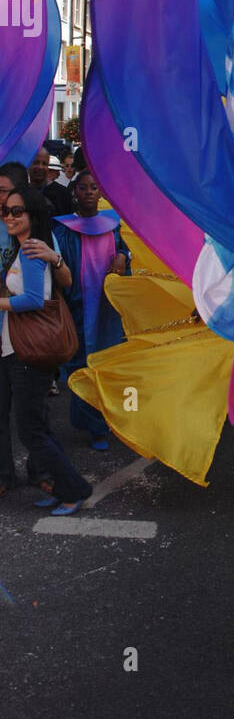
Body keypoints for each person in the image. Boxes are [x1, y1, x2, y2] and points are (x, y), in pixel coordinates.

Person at [0, 186, 90, 512]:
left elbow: (35, 300)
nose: (9, 216)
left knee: (32, 431)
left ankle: (73, 489)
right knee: (38, 428)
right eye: (6, 211)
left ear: (33, 216)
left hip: (28, 354)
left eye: (17, 211)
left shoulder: (31, 251)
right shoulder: (22, 248)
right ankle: (67, 486)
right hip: (18, 352)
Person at [53, 171, 130, 451]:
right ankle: (89, 422)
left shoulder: (113, 226)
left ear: (100, 193)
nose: (88, 192)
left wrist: (123, 255)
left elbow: (125, 251)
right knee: (80, 362)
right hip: (78, 306)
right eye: (83, 187)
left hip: (106, 307)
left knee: (103, 363)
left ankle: (97, 424)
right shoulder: (63, 229)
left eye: (93, 187)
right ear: (74, 192)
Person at [29, 146, 73, 217]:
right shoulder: (20, 193)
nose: (40, 167)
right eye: (36, 163)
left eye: (44, 164)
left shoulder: (64, 194)